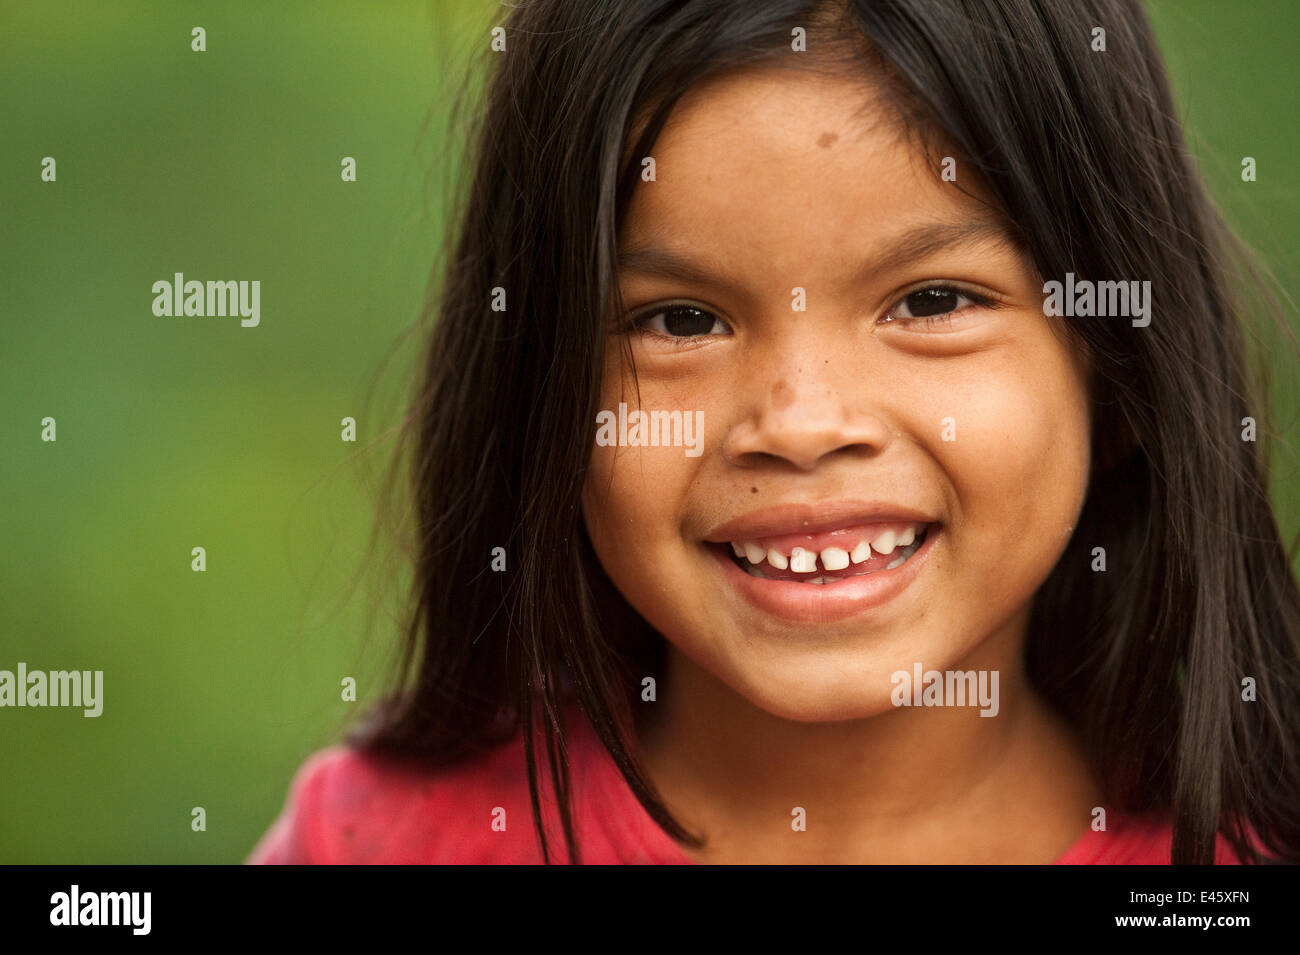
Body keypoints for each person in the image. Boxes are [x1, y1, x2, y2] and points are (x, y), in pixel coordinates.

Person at [250, 0, 1300, 865]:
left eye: (932, 302)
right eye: (679, 321)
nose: (799, 424)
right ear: (541, 391)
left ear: (1118, 372)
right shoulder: (382, 839)